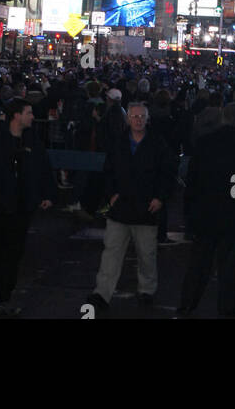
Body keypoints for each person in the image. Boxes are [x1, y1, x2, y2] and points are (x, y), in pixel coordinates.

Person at [89, 100, 177, 313]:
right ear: (128, 119)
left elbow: (167, 172)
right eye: (135, 116)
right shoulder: (122, 142)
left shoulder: (157, 143)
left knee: (146, 255)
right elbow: (108, 171)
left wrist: (160, 197)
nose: (138, 120)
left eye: (142, 117)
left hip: (145, 207)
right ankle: (103, 293)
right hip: (123, 207)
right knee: (112, 253)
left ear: (147, 119)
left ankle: (146, 290)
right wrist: (112, 195)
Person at [177, 103, 235, 318]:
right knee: (228, 265)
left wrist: (190, 210)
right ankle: (226, 307)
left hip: (205, 211)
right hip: (232, 213)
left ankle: (187, 303)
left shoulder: (205, 143)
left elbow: (193, 180)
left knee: (198, 263)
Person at [0, 97, 56, 316]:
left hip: (21, 206)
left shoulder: (31, 142)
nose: (31, 116)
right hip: (1, 206)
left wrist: (46, 193)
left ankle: (2, 296)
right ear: (16, 115)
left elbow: (43, 168)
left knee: (14, 252)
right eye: (28, 112)